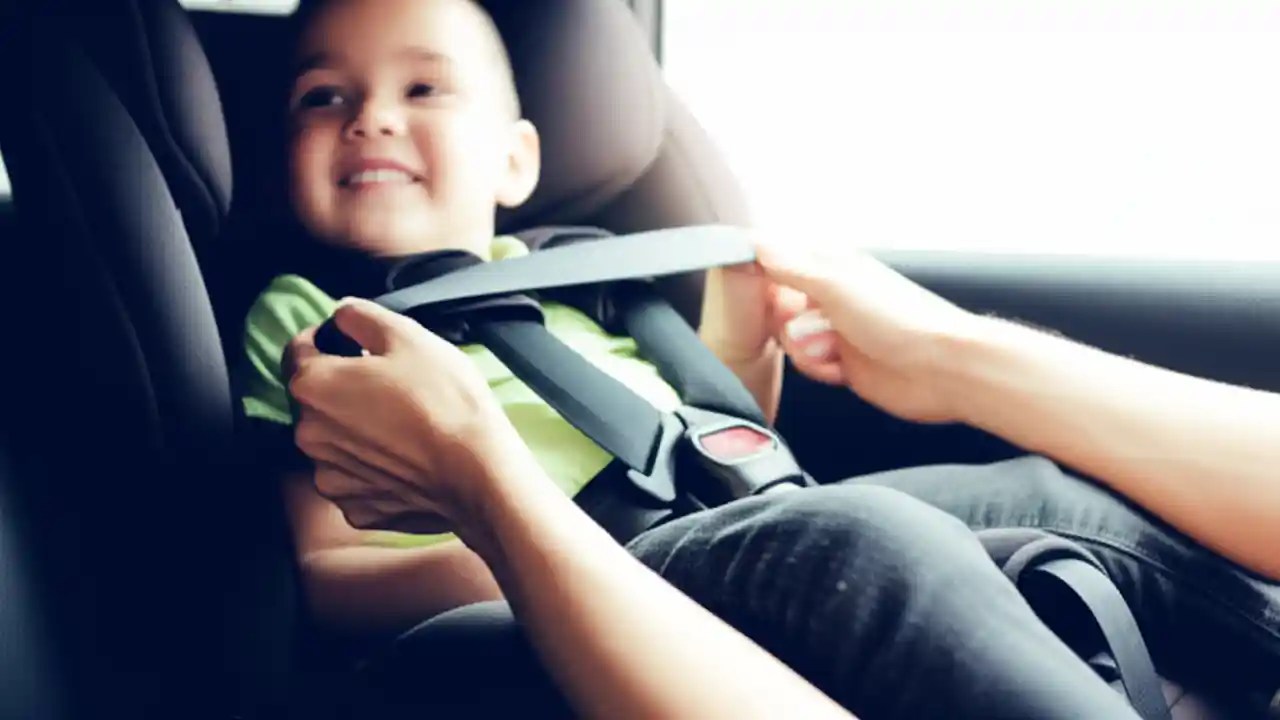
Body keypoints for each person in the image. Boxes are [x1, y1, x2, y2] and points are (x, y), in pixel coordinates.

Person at [242, 0, 1143, 717]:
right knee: (855, 540)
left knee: (1045, 498)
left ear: (515, 161)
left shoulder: (581, 282)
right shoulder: (309, 317)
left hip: (712, 533)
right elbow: (323, 574)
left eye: (423, 89)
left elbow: (716, 456)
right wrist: (507, 552)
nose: (371, 119)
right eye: (323, 97)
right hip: (526, 595)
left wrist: (743, 345)